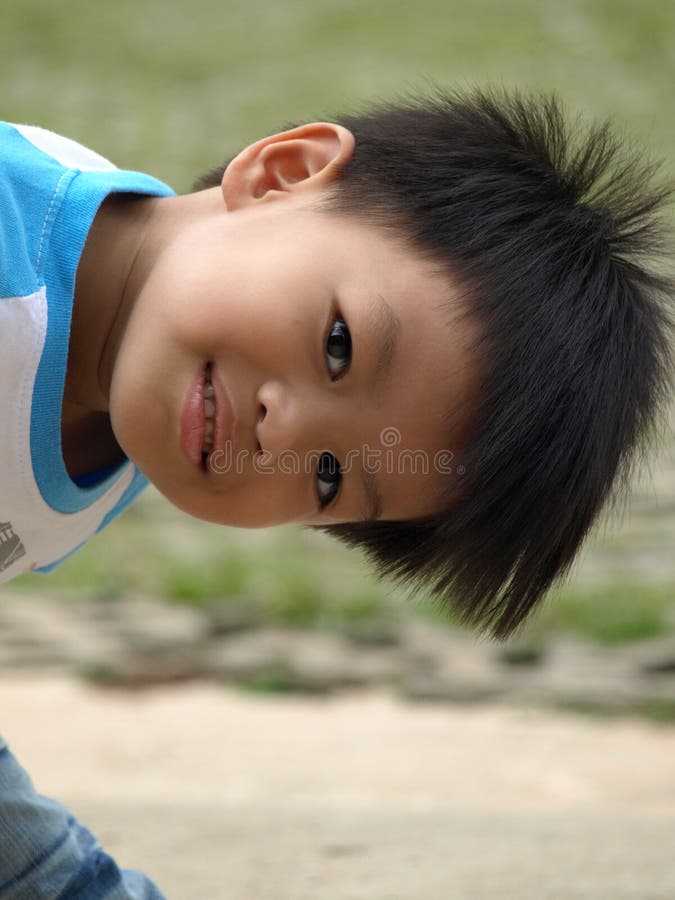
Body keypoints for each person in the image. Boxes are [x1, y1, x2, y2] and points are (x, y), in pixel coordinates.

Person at [0, 88, 672, 895]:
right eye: (339, 346)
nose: (281, 435)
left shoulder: (129, 420)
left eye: (328, 476)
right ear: (285, 172)